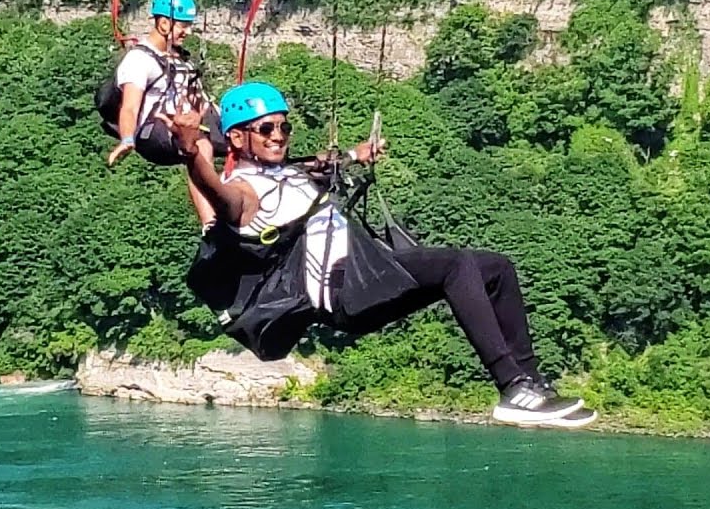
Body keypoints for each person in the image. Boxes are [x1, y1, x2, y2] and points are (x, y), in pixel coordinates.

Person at [158, 81, 597, 428]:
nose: (279, 137)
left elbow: (321, 162)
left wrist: (357, 154)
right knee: (456, 265)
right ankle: (511, 387)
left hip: (363, 281)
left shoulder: (289, 172)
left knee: (496, 268)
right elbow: (216, 192)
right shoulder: (247, 191)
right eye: (267, 129)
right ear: (236, 138)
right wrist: (190, 150)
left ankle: (530, 382)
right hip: (345, 292)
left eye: (284, 127)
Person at [96, 0, 228, 228]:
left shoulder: (179, 59)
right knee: (198, 144)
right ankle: (210, 224)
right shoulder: (139, 60)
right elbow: (130, 107)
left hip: (183, 121)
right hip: (152, 132)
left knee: (244, 135)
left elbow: (198, 99)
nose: (188, 31)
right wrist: (127, 138)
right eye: (183, 25)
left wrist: (229, 121)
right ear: (164, 23)